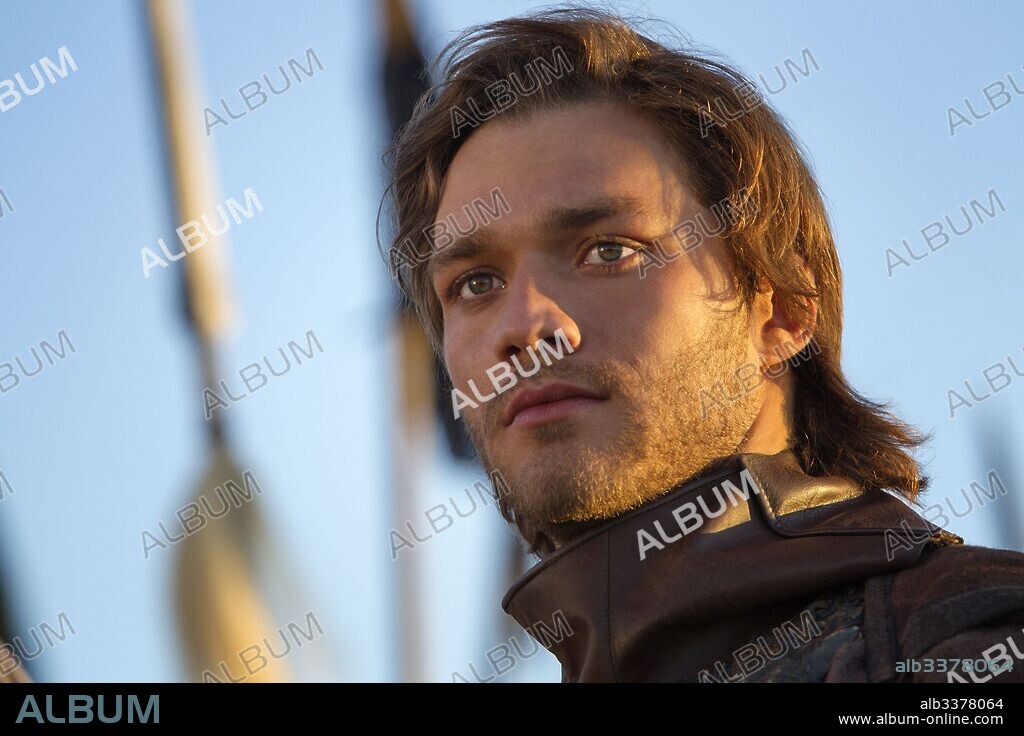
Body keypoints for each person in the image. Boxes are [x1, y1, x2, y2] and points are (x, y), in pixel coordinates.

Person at [383, 7, 1024, 682]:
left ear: (781, 314)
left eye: (609, 251)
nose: (525, 326)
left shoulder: (972, 646)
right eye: (476, 282)